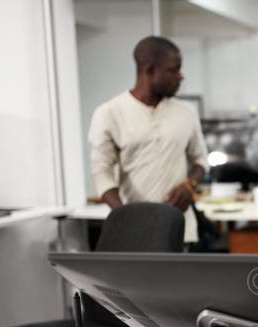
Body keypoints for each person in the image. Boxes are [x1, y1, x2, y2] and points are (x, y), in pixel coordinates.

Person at [88, 36, 208, 244]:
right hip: (133, 235)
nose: (180, 77)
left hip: (181, 232)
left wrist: (190, 185)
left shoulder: (186, 112)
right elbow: (101, 172)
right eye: (173, 70)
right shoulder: (109, 113)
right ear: (150, 71)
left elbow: (200, 159)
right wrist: (127, 216)